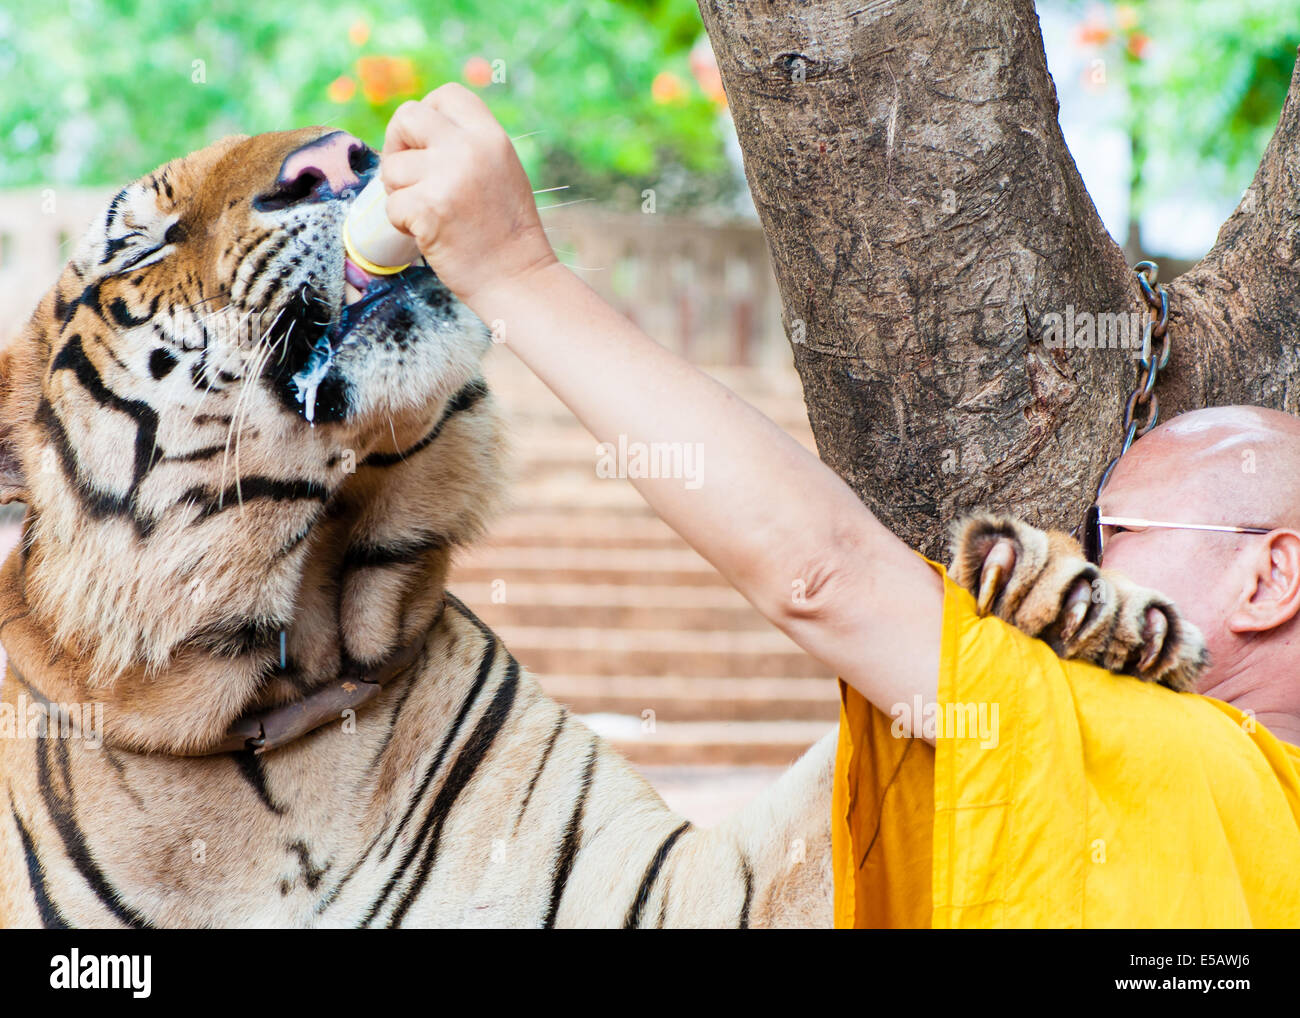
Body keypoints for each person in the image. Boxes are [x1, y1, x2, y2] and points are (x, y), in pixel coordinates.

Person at [377, 84, 1300, 927]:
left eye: (1121, 533)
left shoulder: (1176, 762)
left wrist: (513, 271)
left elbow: (824, 575)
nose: (1084, 562)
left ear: (1271, 576)